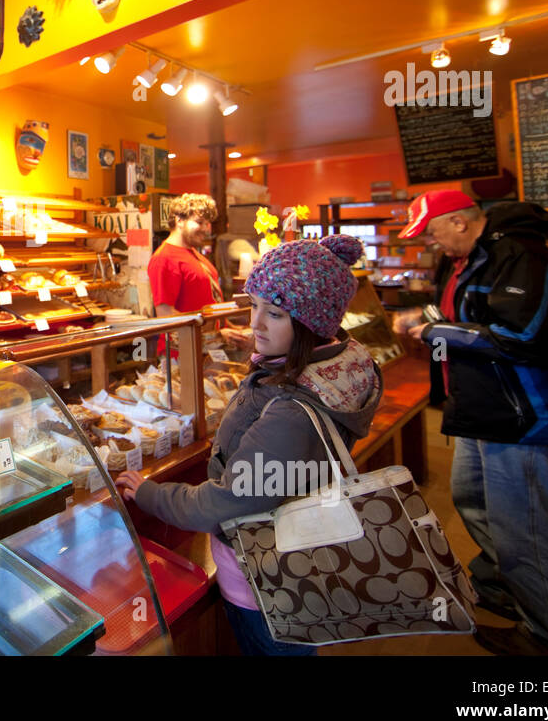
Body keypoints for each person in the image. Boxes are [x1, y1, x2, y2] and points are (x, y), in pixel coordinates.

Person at [117, 235, 382, 655]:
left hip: (266, 581)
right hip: (299, 563)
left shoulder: (293, 410)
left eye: (274, 313)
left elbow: (229, 499)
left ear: (312, 324)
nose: (255, 323)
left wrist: (153, 495)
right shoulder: (332, 365)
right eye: (254, 304)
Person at [396, 190, 548, 656]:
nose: (429, 241)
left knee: (523, 527)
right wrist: (423, 317)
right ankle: (507, 589)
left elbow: (523, 335)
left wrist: (433, 331)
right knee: (471, 499)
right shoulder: (462, 260)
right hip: (482, 409)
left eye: (431, 230)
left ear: (460, 222)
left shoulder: (522, 254)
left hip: (526, 415)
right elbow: (456, 314)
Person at [148, 193, 251, 348]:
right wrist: (215, 337)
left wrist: (229, 327)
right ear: (179, 220)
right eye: (199, 222)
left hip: (207, 350)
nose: (205, 229)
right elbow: (166, 315)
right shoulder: (164, 259)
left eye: (207, 223)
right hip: (181, 355)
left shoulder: (194, 253)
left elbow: (208, 303)